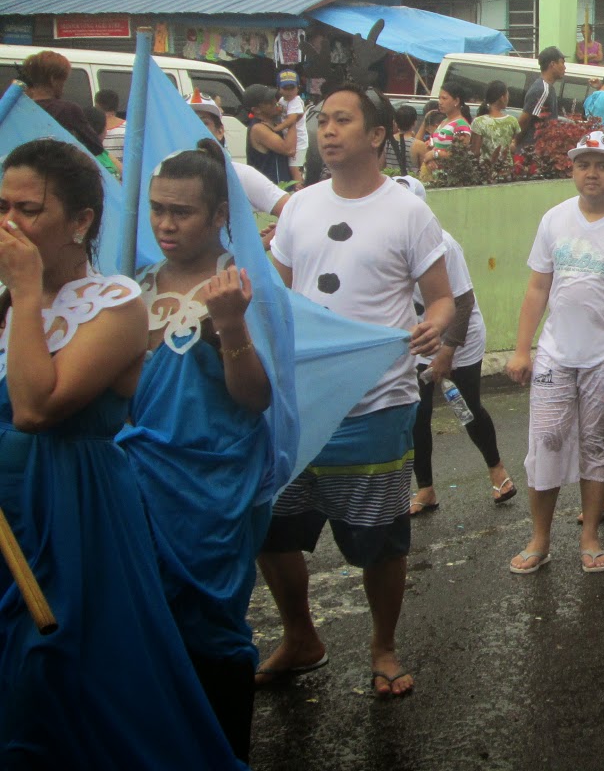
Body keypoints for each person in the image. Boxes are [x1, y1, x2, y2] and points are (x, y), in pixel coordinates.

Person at [0, 138, 238, 766]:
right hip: (7, 516)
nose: (9, 225)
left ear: (80, 222)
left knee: (59, 665)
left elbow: (35, 408)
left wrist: (25, 295)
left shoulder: (113, 303)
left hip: (71, 512)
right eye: (1, 207)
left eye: (28, 210)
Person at [257, 85, 455, 699]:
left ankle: (383, 646)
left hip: (376, 400)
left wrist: (436, 323)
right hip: (296, 401)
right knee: (273, 526)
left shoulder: (407, 211)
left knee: (379, 535)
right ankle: (300, 636)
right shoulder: (299, 207)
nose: (327, 130)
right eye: (322, 121)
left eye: (343, 120)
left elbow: (442, 294)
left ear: (375, 135)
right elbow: (279, 295)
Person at [116, 142, 273, 758]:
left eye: (181, 212)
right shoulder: (132, 288)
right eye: (157, 209)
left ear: (218, 218)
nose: (164, 224)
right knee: (142, 624)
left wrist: (231, 328)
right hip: (135, 481)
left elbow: (257, 398)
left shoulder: (245, 284)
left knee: (211, 629)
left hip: (214, 489)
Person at [505, 130, 604, 576]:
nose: (592, 173)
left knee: (596, 443)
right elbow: (538, 287)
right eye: (583, 164)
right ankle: (540, 538)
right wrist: (521, 349)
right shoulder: (554, 219)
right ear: (573, 170)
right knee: (547, 440)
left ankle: (589, 535)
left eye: (602, 165)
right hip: (556, 354)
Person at [392, 177, 513, 517]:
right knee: (417, 414)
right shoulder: (385, 243)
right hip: (419, 336)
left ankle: (498, 471)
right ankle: (426, 489)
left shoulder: (442, 244)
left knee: (465, 406)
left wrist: (447, 352)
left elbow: (463, 302)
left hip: (459, 337)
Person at [188, 93, 289, 218]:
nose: (193, 129)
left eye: (203, 123)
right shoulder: (163, 176)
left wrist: (267, 238)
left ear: (220, 131)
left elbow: (292, 211)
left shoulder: (240, 175)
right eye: (186, 123)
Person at [17, 49, 102, 154]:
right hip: (57, 168)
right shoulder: (68, 110)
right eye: (63, 80)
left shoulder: (17, 108)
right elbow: (96, 146)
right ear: (53, 80)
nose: (64, 86)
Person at [242, 83, 295, 187]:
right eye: (269, 102)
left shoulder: (274, 124)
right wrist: (293, 120)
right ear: (256, 109)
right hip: (270, 190)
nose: (275, 102)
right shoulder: (258, 128)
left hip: (280, 187)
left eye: (274, 98)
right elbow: (289, 150)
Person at [519, 46, 568, 148]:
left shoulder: (549, 88)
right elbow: (524, 121)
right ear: (552, 64)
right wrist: (515, 142)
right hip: (532, 150)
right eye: (562, 62)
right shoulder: (542, 90)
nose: (564, 67)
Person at [424, 81, 473, 175]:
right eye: (439, 98)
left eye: (444, 98)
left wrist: (435, 154)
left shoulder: (461, 125)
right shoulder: (444, 121)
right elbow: (436, 146)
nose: (440, 102)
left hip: (450, 178)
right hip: (436, 176)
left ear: (456, 101)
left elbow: (460, 155)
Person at [470, 80, 519, 157]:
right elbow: (515, 146)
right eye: (507, 96)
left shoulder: (478, 121)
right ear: (502, 98)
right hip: (505, 167)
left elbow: (475, 151)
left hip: (484, 166)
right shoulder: (512, 121)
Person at [278, 70, 307, 186]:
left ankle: (299, 189)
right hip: (290, 140)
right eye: (285, 88)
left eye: (292, 88)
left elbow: (291, 120)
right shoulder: (282, 101)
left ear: (297, 88)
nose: (289, 92)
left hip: (299, 142)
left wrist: (276, 129)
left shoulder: (295, 101)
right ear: (279, 89)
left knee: (294, 169)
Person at [95, 88, 126, 165]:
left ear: (97, 105)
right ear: (117, 106)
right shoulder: (128, 130)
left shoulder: (91, 128)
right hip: (120, 175)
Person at [387, 103, 419, 176]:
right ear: (414, 123)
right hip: (411, 183)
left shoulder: (386, 142)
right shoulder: (419, 145)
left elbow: (380, 166)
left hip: (391, 180)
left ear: (395, 123)